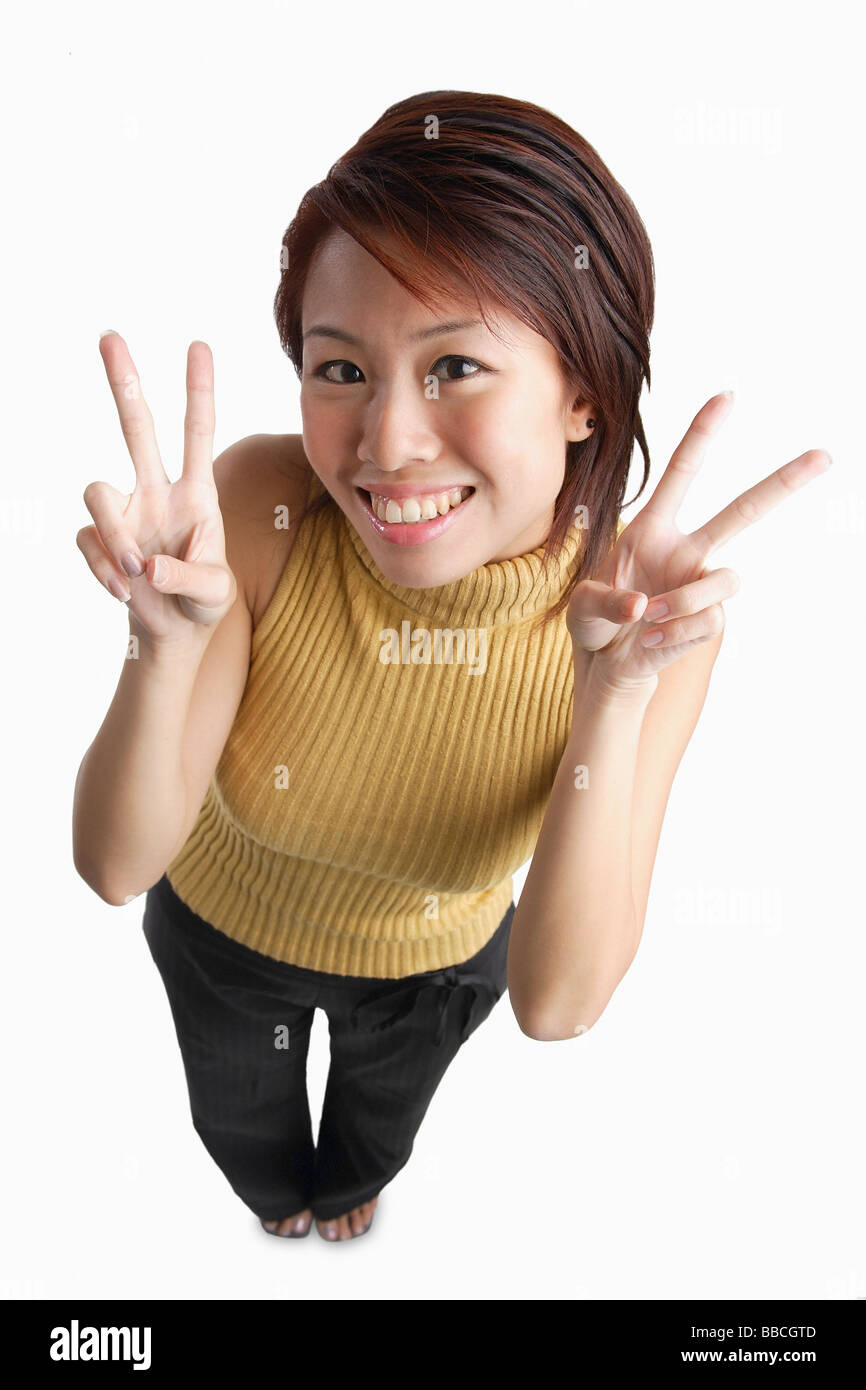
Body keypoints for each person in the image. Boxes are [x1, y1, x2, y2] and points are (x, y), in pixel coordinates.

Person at [72, 90, 830, 1244]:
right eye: (340, 371)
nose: (384, 443)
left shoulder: (645, 616)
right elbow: (119, 865)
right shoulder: (259, 506)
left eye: (455, 367)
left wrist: (611, 695)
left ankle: (352, 1183)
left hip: (435, 970)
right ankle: (278, 1200)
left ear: (582, 392)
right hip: (222, 937)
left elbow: (560, 1003)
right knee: (244, 1134)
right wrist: (159, 646)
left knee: (377, 1131)